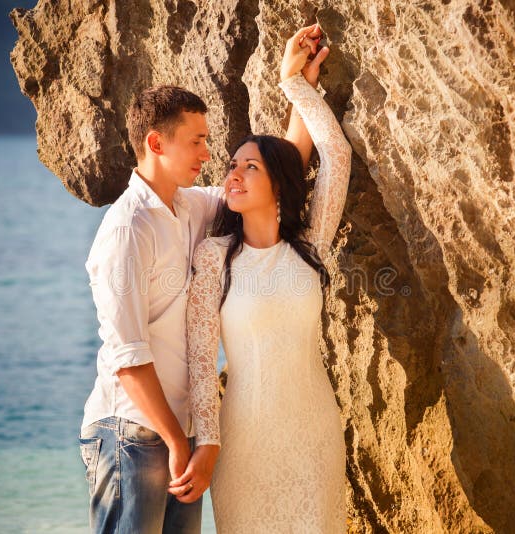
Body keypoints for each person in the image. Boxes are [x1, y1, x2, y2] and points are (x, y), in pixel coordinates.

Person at [78, 24, 329, 533]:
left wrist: (296, 81)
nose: (206, 154)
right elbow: (128, 356)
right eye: (196, 141)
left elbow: (275, 176)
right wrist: (178, 442)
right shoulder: (127, 229)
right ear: (156, 143)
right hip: (130, 431)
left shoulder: (193, 207)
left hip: (182, 433)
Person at [177, 25, 352, 532]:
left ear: (278, 186)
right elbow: (201, 361)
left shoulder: (310, 243)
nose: (231, 175)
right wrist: (207, 444)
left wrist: (293, 84)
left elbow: (335, 155)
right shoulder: (214, 257)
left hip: (313, 435)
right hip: (243, 445)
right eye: (232, 164)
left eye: (248, 167)